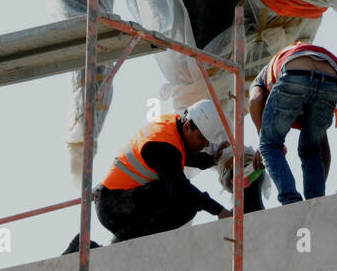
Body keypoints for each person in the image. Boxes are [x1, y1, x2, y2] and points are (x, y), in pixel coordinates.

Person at [66, 98, 232, 251]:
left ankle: (109, 248)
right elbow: (180, 188)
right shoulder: (163, 146)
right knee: (185, 204)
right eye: (202, 138)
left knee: (178, 196)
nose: (204, 144)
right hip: (114, 205)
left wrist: (211, 160)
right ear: (188, 126)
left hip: (115, 198)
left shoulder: (172, 125)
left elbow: (179, 156)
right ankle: (114, 248)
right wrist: (219, 211)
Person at [250, 42, 337, 205]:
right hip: (331, 78)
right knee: (311, 148)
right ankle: (315, 203)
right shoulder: (306, 105)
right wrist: (318, 192)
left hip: (294, 70)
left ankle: (291, 201)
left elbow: (255, 99)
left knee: (269, 145)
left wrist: (262, 138)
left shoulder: (261, 78)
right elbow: (322, 150)